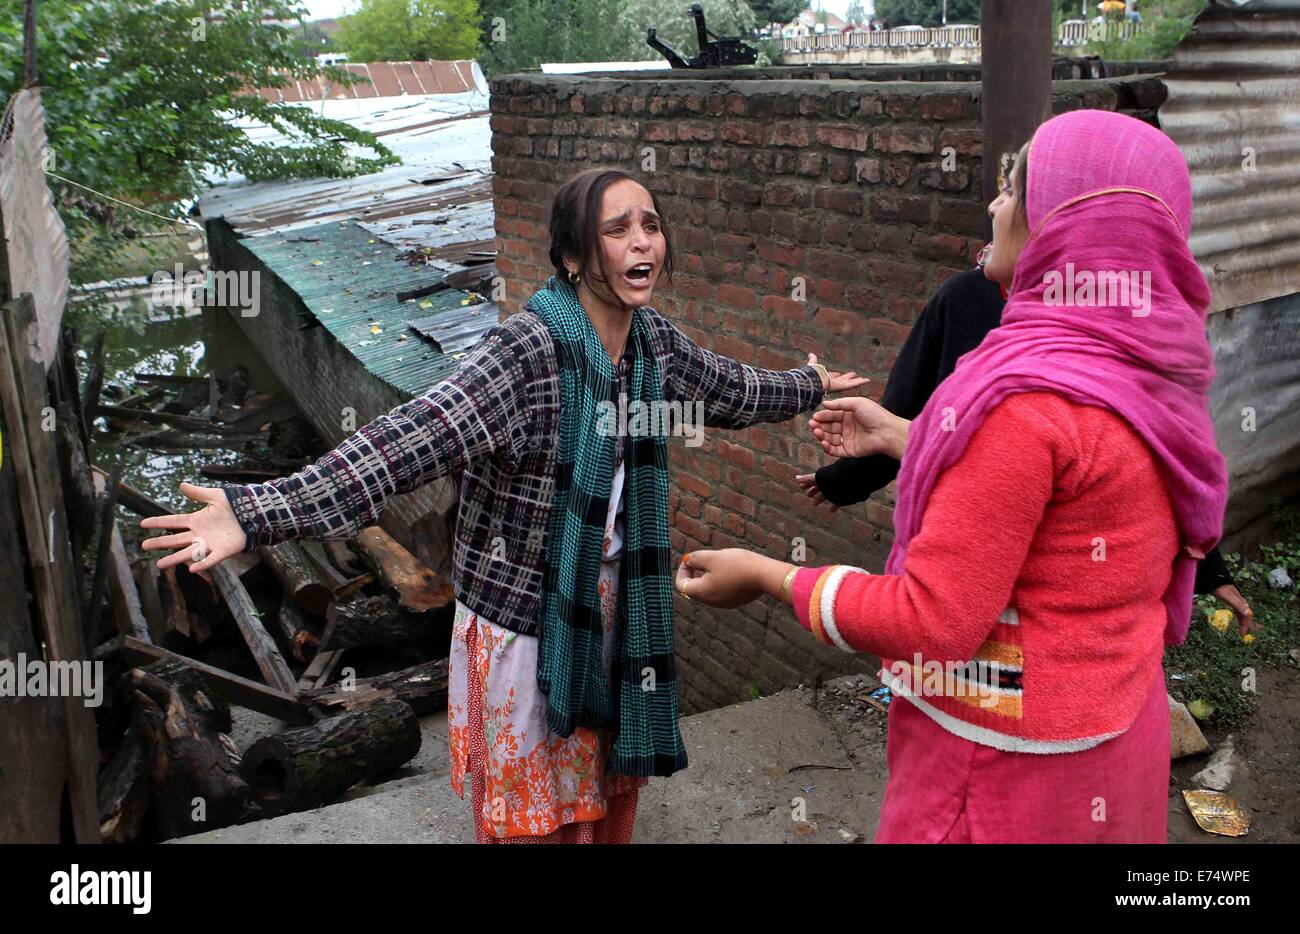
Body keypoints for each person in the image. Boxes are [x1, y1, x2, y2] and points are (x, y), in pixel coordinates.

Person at [139, 166, 866, 844]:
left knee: (606, 798)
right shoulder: (526, 353)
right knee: (535, 820)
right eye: (617, 229)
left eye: (650, 224)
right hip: (526, 624)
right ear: (574, 257)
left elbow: (729, 389)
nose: (643, 241)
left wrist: (810, 386)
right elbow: (402, 444)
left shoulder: (652, 348)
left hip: (615, 609)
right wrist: (255, 512)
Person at [675, 110, 1233, 843]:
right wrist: (913, 438)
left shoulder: (1026, 398)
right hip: (1114, 743)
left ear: (1056, 223)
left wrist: (767, 575)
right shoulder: (1148, 367)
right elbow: (1064, 504)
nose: (996, 208)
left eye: (1011, 190)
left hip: (1002, 775)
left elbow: (930, 621)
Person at [796, 232, 1253, 628]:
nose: (995, 205)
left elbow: (1162, 456)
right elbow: (905, 414)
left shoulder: (1111, 328)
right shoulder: (967, 299)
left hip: (1050, 580)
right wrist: (844, 481)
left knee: (990, 669)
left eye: (1014, 195)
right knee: (969, 668)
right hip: (989, 562)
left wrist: (1208, 567)